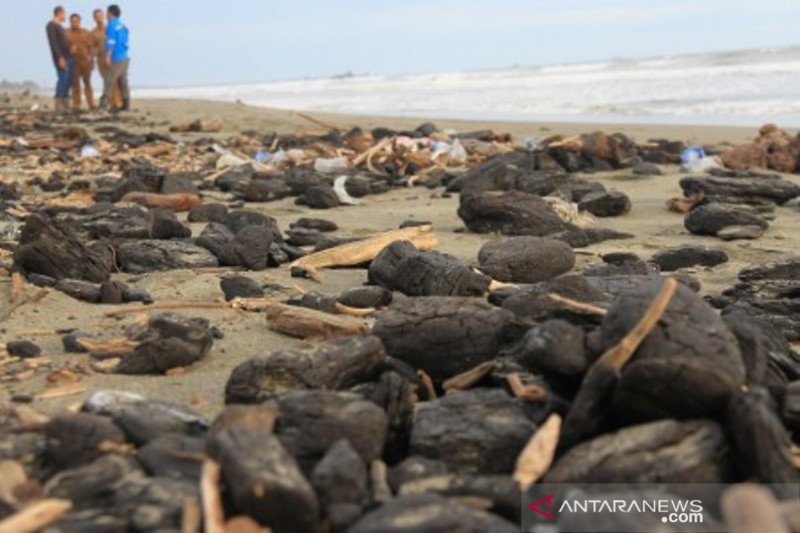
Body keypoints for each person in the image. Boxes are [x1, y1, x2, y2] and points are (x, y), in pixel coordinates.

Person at [100, 4, 130, 111]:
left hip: (116, 57)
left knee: (109, 80)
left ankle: (103, 105)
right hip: (125, 57)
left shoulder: (111, 25)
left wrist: (108, 56)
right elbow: (126, 42)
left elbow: (111, 41)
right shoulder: (123, 26)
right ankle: (126, 105)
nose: (105, 16)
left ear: (110, 13)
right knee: (123, 81)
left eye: (106, 13)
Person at [90, 8, 122, 109]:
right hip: (100, 60)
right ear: (94, 18)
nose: (99, 18)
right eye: (96, 16)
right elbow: (91, 48)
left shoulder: (111, 28)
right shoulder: (93, 32)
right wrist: (92, 60)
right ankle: (111, 103)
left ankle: (117, 103)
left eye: (100, 16)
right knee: (107, 81)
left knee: (115, 80)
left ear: (104, 16)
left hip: (113, 58)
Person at [45, 6, 73, 113]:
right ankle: (59, 104)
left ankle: (65, 104)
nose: (65, 16)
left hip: (69, 55)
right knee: (62, 79)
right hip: (61, 56)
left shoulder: (60, 26)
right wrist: (60, 57)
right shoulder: (51, 25)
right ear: (60, 13)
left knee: (67, 80)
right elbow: (53, 43)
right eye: (64, 14)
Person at [65, 13, 95, 110]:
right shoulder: (66, 33)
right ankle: (76, 104)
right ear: (70, 22)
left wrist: (92, 61)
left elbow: (91, 48)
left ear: (79, 22)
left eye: (76, 21)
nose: (74, 23)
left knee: (88, 83)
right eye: (72, 21)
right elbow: (61, 47)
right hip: (73, 63)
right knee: (75, 85)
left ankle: (91, 103)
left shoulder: (86, 32)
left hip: (85, 62)